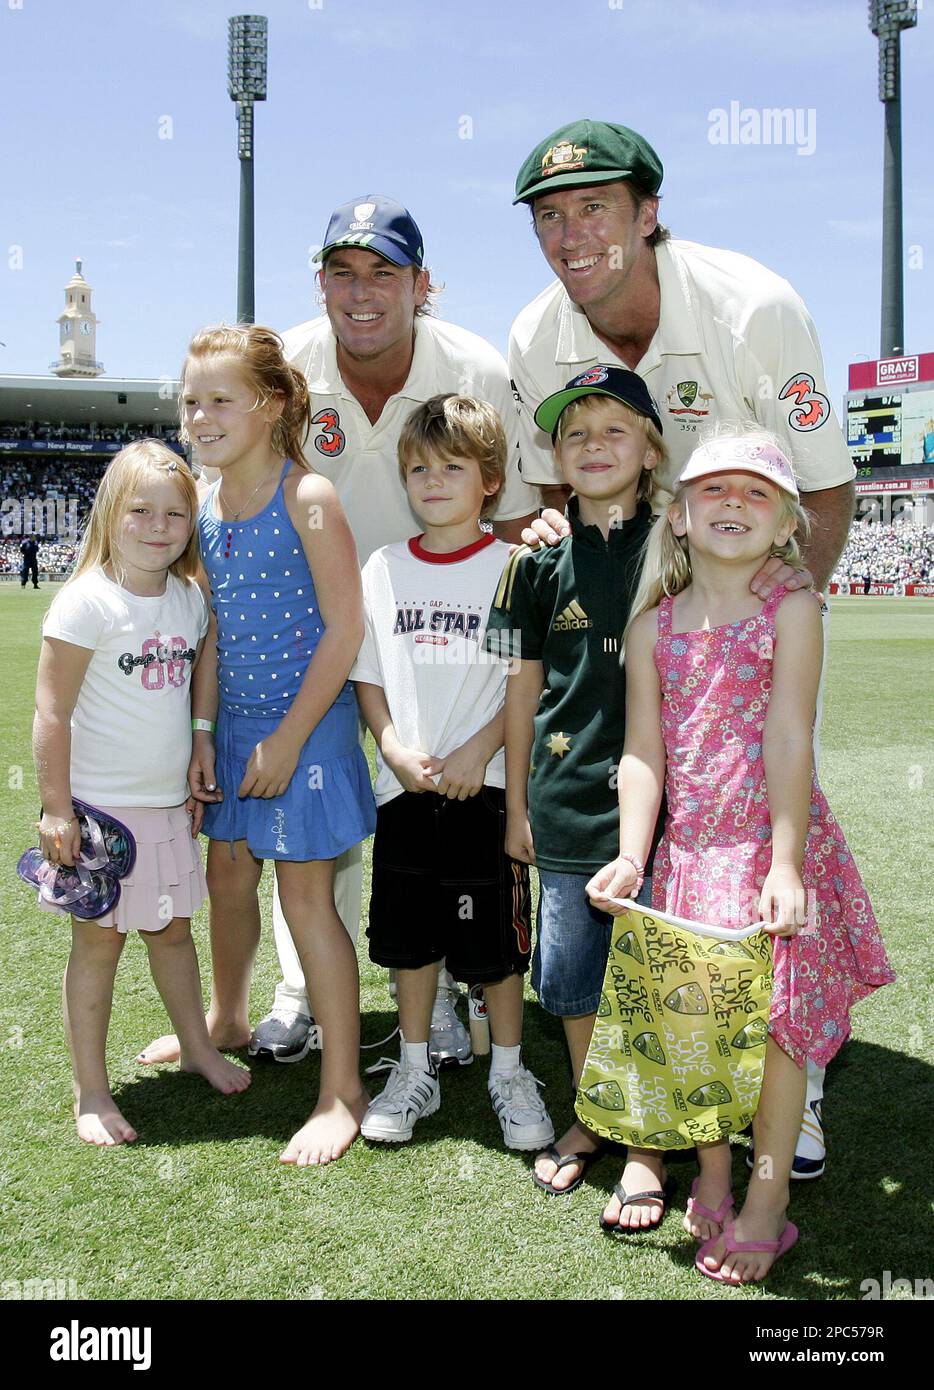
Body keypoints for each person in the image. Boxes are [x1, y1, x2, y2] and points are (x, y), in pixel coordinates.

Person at [510, 119, 854, 1175]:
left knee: (758, 855)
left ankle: (785, 1085)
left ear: (647, 214)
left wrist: (772, 628)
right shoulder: (536, 337)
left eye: (595, 208)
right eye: (550, 216)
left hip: (741, 623)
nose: (572, 234)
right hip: (627, 628)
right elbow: (545, 498)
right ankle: (656, 1090)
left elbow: (827, 492)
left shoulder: (753, 307)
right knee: (644, 857)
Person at [586, 430, 893, 1280]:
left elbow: (791, 736)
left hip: (769, 852)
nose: (733, 505)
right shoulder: (652, 623)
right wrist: (630, 856)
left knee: (778, 1037)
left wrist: (786, 865)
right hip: (690, 858)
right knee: (697, 1034)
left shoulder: (792, 610)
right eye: (714, 490)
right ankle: (713, 1179)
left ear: (789, 523)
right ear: (678, 516)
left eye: (757, 493)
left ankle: (768, 1199)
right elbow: (643, 751)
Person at [249, 195, 540, 1068]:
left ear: (423, 284)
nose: (362, 292)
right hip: (317, 622)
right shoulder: (291, 363)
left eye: (384, 272)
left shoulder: (476, 365)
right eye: (343, 272)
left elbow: (519, 509)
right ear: (321, 282)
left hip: (440, 631)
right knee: (319, 810)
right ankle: (299, 987)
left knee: (443, 822)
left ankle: (445, 986)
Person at [140, 324, 376, 1166]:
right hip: (233, 727)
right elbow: (208, 633)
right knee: (227, 876)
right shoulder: (200, 505)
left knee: (306, 899)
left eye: (217, 400)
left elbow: (345, 629)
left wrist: (286, 739)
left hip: (305, 728)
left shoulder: (308, 497)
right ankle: (227, 1020)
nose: (197, 416)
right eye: (189, 399)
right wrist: (205, 733)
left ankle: (343, 1089)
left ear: (270, 406)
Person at [29, 441, 251, 1146]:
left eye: (175, 514)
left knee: (173, 934)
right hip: (97, 812)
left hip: (164, 810)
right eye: (141, 511)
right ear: (110, 514)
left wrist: (199, 744)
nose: (159, 526)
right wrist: (57, 808)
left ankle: (197, 1046)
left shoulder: (189, 599)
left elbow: (200, 669)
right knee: (98, 944)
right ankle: (90, 1092)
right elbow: (51, 713)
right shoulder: (87, 601)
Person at [351, 394, 553, 1150]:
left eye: (453, 467)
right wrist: (393, 747)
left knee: (491, 944)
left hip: (485, 787)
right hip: (405, 787)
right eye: (418, 468)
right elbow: (370, 675)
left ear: (490, 479)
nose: (433, 481)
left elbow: (519, 682)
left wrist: (479, 750)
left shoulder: (512, 569)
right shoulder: (385, 567)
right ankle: (412, 1068)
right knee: (411, 937)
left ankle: (507, 1068)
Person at [484, 366, 666, 1194]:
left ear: (653, 449)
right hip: (560, 806)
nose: (594, 446)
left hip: (668, 813)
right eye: (575, 434)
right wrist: (517, 803)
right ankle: (594, 1113)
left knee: (653, 983)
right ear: (554, 456)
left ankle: (648, 1146)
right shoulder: (533, 565)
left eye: (614, 430)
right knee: (573, 983)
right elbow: (522, 691)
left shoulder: (683, 545)